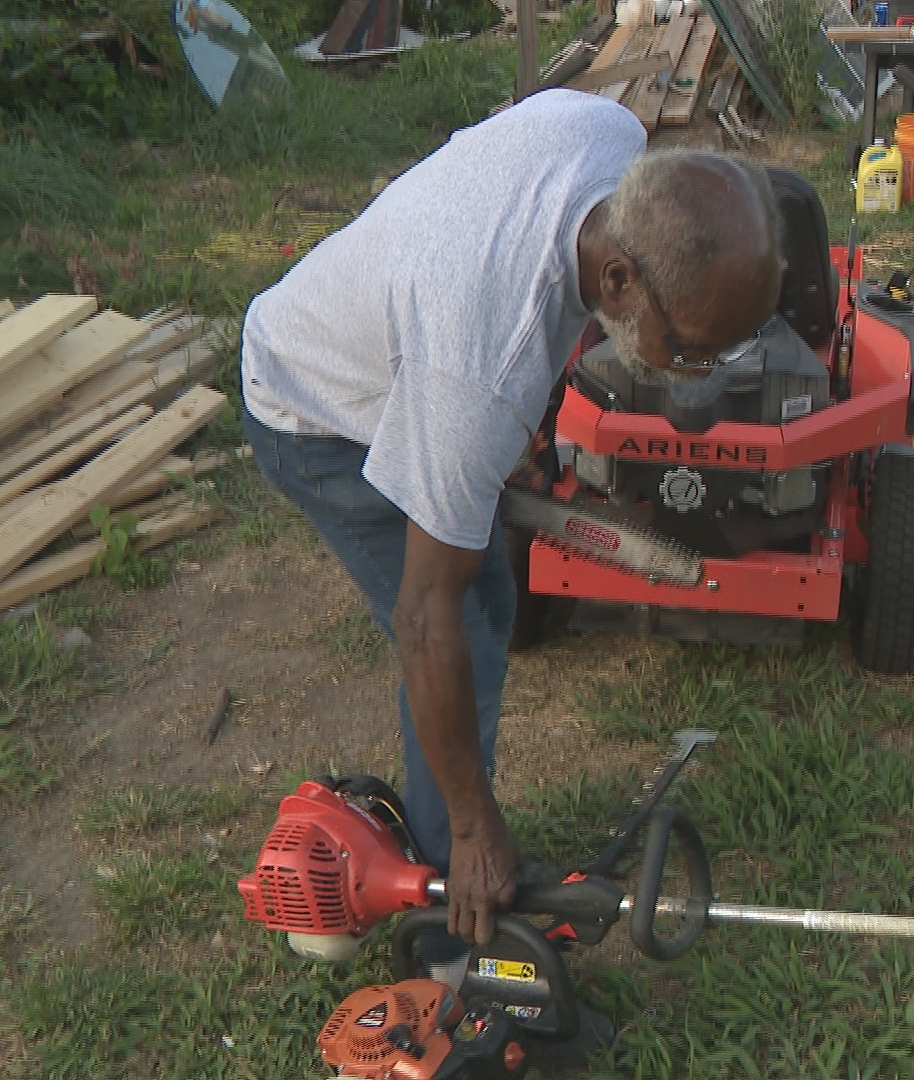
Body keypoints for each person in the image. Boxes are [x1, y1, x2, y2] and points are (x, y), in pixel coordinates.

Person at [237, 89, 783, 983]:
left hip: (413, 337)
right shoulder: (474, 378)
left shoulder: (603, 133)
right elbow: (425, 617)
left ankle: (451, 862)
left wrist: (511, 440)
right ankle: (449, 928)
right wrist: (473, 819)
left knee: (477, 576)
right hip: (316, 413)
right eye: (690, 349)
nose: (698, 373)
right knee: (469, 618)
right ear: (618, 282)